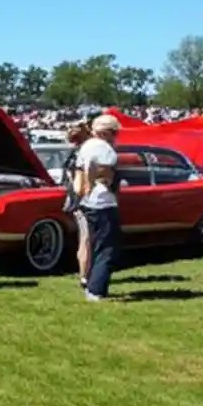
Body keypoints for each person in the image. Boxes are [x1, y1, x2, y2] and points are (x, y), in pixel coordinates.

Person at [78, 114, 122, 301]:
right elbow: (106, 173)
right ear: (106, 132)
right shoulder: (105, 150)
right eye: (114, 132)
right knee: (108, 248)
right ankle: (96, 290)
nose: (116, 136)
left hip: (88, 201)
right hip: (103, 201)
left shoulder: (86, 146)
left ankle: (90, 282)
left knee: (94, 243)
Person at [62, 122, 92, 289]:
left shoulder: (72, 153)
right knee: (87, 239)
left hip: (74, 199)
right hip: (83, 199)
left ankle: (85, 273)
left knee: (84, 238)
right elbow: (78, 184)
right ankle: (85, 276)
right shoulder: (82, 154)